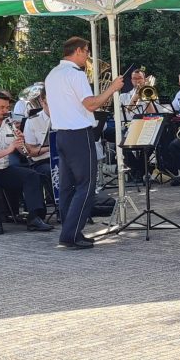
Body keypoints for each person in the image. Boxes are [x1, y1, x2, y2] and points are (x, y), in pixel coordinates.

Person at [45, 36, 124, 249]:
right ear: (78, 51)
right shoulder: (75, 75)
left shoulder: (52, 74)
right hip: (78, 135)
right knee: (86, 185)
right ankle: (71, 234)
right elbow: (91, 104)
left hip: (61, 134)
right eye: (87, 52)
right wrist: (113, 88)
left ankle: (69, 231)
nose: (88, 56)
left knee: (67, 187)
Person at [0, 91, 52, 235]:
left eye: (7, 107)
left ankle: (34, 218)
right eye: (2, 107)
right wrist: (9, 149)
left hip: (2, 168)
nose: (6, 111)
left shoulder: (9, 125)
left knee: (31, 175)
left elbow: (23, 151)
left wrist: (22, 143)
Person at [23, 87, 55, 206]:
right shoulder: (32, 121)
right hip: (42, 161)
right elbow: (30, 151)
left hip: (64, 157)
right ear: (42, 101)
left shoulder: (65, 116)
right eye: (49, 103)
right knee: (51, 171)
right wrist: (52, 147)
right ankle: (61, 207)